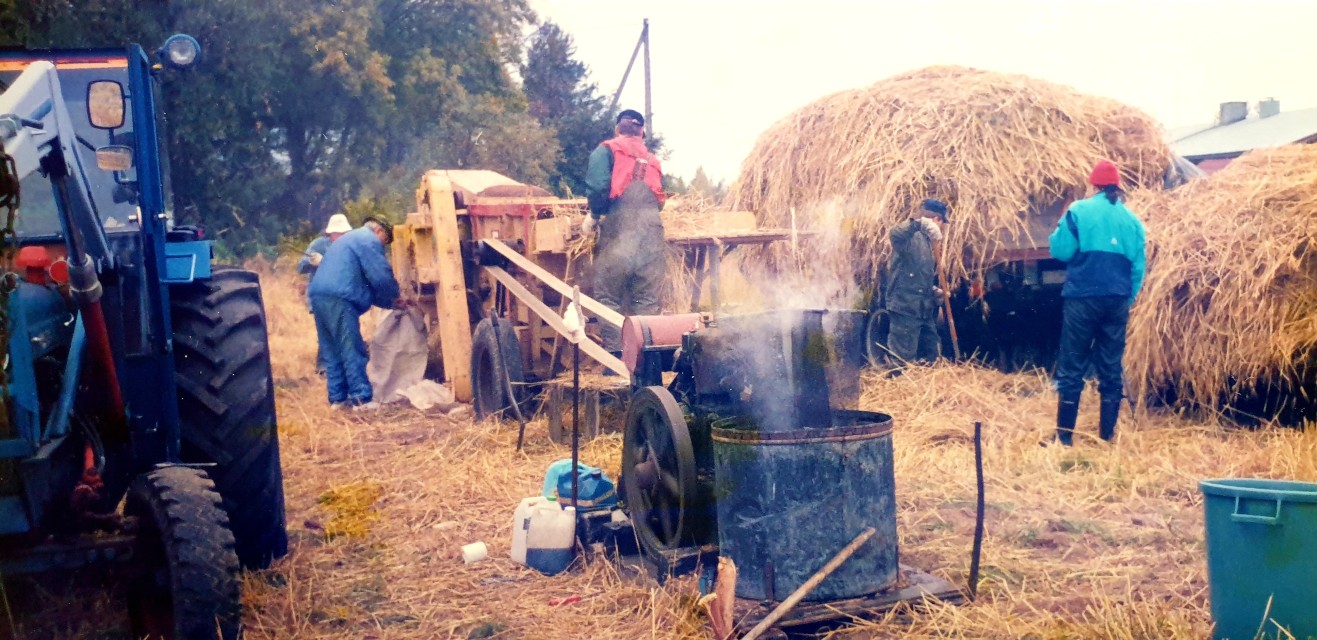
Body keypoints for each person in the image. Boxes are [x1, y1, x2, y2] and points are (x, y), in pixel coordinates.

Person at [1045, 159, 1146, 446]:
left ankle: (1064, 438)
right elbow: (1139, 267)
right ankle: (1106, 436)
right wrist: (1128, 297)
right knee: (1110, 367)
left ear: (1093, 185)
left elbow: (1061, 250)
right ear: (1118, 187)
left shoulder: (1079, 210)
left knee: (1072, 364)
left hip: (1082, 298)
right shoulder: (1132, 221)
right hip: (1116, 300)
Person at [583, 109, 666, 359]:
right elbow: (660, 201)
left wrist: (594, 216)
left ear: (617, 129)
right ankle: (646, 363)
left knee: (608, 296)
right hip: (652, 234)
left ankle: (615, 362)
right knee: (647, 301)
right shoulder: (653, 160)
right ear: (641, 133)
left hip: (620, 230)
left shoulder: (606, 150)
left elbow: (598, 187)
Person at [308, 216, 402, 411]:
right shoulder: (368, 240)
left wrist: (388, 303)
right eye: (385, 241)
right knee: (350, 347)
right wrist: (395, 296)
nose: (382, 245)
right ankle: (361, 399)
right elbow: (380, 277)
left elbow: (363, 284)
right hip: (339, 297)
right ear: (379, 232)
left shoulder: (347, 240)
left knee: (331, 349)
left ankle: (338, 399)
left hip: (318, 295)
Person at [883, 198, 948, 370]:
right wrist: (919, 223)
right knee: (901, 361)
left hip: (923, 310)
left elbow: (919, 278)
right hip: (905, 308)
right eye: (941, 222)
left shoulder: (928, 243)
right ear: (936, 219)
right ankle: (898, 389)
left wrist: (935, 292)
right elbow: (895, 234)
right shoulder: (911, 238)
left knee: (932, 353)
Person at [298, 213, 353, 373]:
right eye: (339, 233)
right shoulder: (318, 245)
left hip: (340, 295)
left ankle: (338, 364)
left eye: (344, 234)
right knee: (326, 330)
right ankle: (323, 366)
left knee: (342, 331)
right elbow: (300, 267)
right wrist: (312, 261)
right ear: (331, 233)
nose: (342, 236)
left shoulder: (348, 246)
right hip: (320, 296)